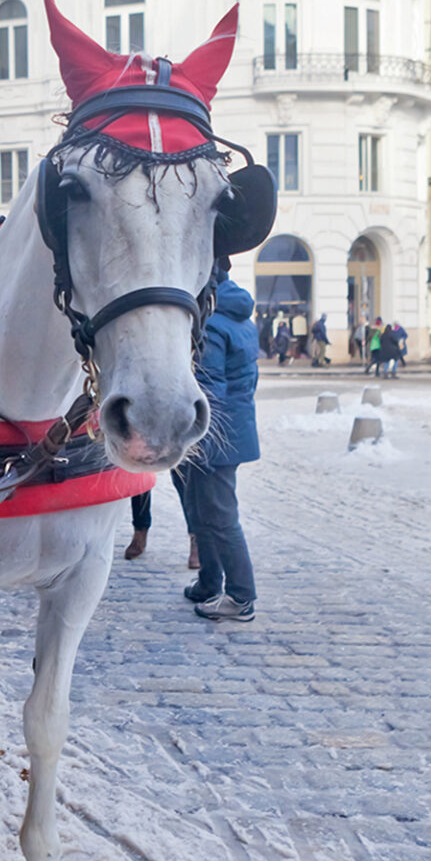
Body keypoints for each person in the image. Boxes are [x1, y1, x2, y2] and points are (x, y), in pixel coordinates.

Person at [182, 261, 259, 622]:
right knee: (201, 511)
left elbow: (210, 387)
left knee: (222, 517)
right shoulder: (239, 316)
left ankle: (241, 598)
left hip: (217, 436)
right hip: (234, 430)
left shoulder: (212, 323)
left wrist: (202, 441)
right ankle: (209, 582)